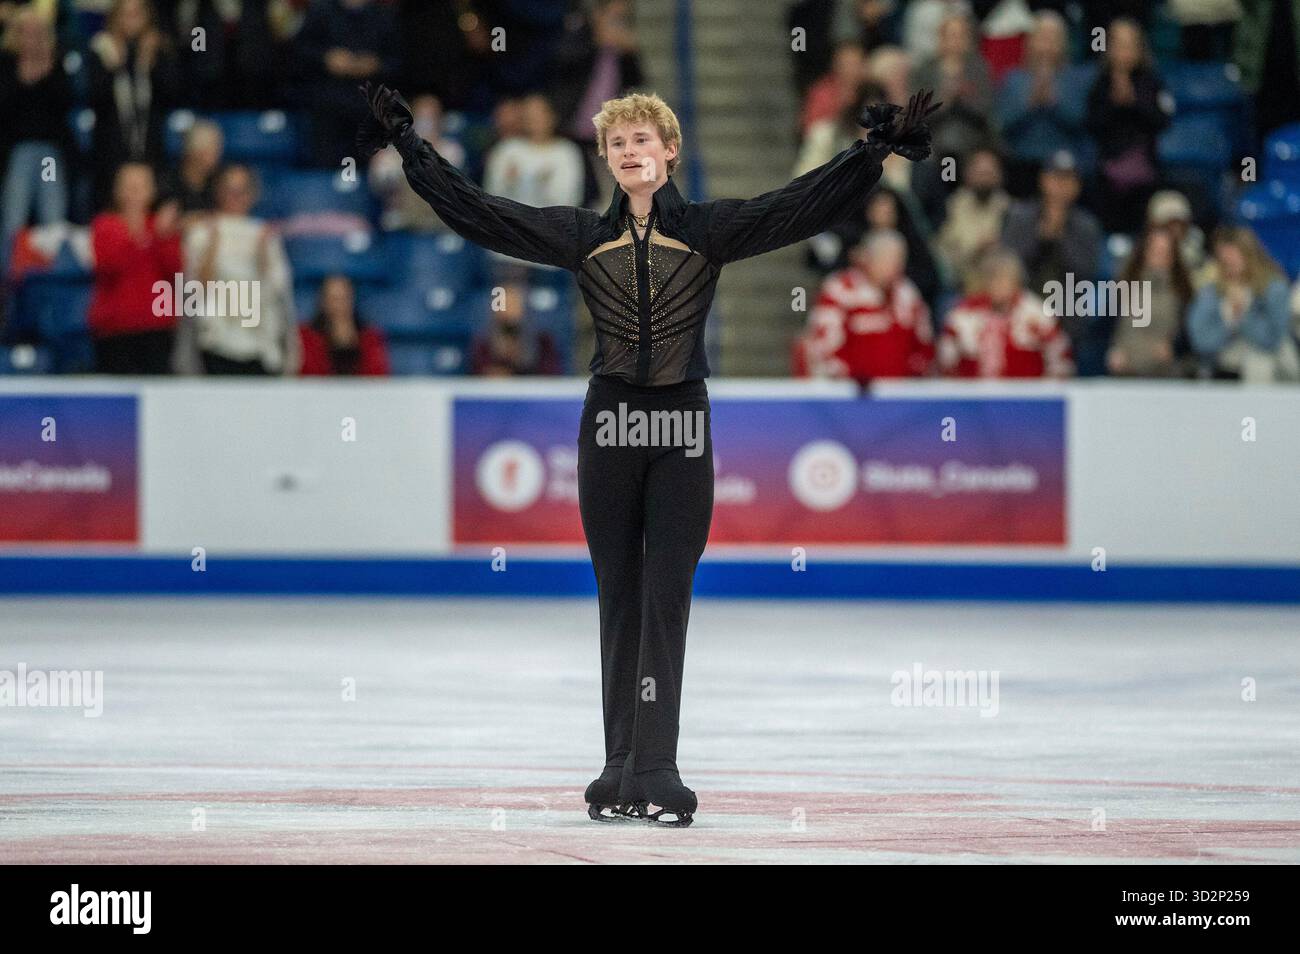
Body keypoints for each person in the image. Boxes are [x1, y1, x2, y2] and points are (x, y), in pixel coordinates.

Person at [356, 81, 938, 825]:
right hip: (609, 430)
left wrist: (872, 153)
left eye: (643, 141)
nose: (631, 152)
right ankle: (617, 768)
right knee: (618, 596)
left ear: (669, 153)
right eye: (618, 143)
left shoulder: (707, 230)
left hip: (681, 431)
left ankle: (655, 767)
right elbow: (484, 215)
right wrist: (414, 151)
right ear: (606, 158)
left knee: (666, 595)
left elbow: (796, 206)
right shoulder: (578, 235)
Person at [176, 165, 297, 376]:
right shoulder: (201, 233)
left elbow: (277, 289)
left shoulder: (264, 235)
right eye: (229, 190)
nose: (235, 197)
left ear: (251, 195)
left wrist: (262, 259)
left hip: (257, 341)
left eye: (241, 191)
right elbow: (192, 291)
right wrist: (213, 247)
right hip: (215, 341)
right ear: (218, 191)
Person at [802, 229, 933, 382]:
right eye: (888, 260)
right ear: (869, 258)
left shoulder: (908, 292)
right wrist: (847, 383)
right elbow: (823, 346)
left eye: (899, 260)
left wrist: (914, 379)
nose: (895, 267)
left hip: (901, 394)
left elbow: (924, 344)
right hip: (852, 395)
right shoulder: (839, 290)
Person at [88, 162, 182, 373]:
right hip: (114, 330)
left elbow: (175, 270)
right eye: (128, 187)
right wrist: (138, 235)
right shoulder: (105, 226)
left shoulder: (162, 228)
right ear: (117, 190)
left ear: (151, 191)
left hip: (156, 329)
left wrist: (162, 237)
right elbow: (109, 266)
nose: (134, 194)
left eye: (139, 187)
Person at [939, 247, 1073, 378]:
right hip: (974, 396)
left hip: (1026, 396)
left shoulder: (1036, 313)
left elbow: (1060, 360)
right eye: (993, 278)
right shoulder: (963, 315)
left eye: (1004, 279)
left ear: (1016, 281)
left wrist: (1044, 392)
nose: (998, 284)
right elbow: (946, 362)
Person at [1188, 226, 1297, 381]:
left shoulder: (1274, 289)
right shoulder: (1211, 292)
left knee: (1259, 360)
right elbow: (1201, 341)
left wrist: (1243, 316)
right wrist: (1229, 324)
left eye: (1234, 254)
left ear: (1249, 254)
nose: (1229, 260)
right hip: (1222, 362)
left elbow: (1273, 339)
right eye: (1224, 257)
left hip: (1271, 362)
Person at [1106, 225, 1194, 378]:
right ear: (1144, 253)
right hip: (1125, 373)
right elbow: (1103, 328)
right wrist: (1112, 350)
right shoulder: (1122, 287)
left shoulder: (1183, 291)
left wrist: (1174, 348)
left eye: (1164, 253)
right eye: (1155, 251)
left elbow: (1190, 336)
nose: (1159, 258)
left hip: (1167, 375)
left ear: (1173, 257)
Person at [299, 274, 389, 376]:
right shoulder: (307, 336)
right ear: (322, 302)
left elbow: (377, 376)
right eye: (333, 299)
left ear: (352, 300)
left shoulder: (370, 336)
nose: (338, 305)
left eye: (343, 298)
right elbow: (309, 376)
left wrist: (350, 346)